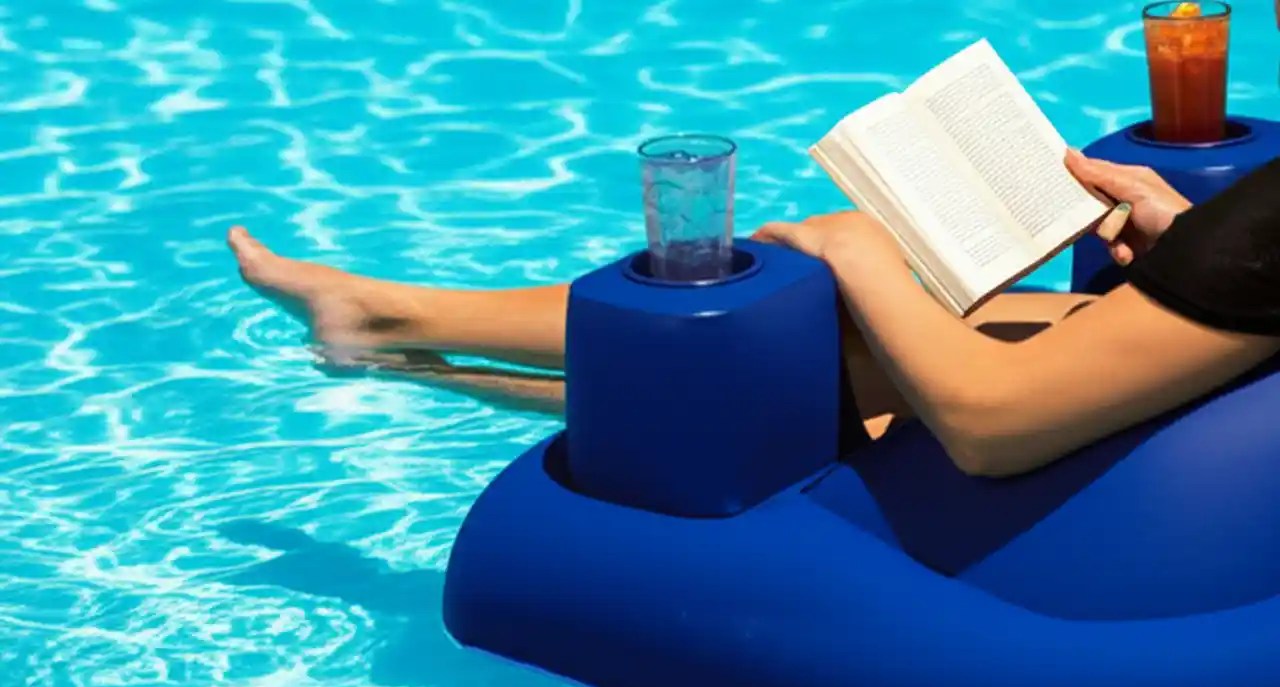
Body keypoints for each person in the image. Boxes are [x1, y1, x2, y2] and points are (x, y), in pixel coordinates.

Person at [229, 149, 1280, 477]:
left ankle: (400, 336)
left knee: (821, 304)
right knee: (870, 325)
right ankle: (394, 324)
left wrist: (863, 252)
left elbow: (991, 427)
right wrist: (1190, 243)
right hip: (1202, 380)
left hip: (1142, 460)